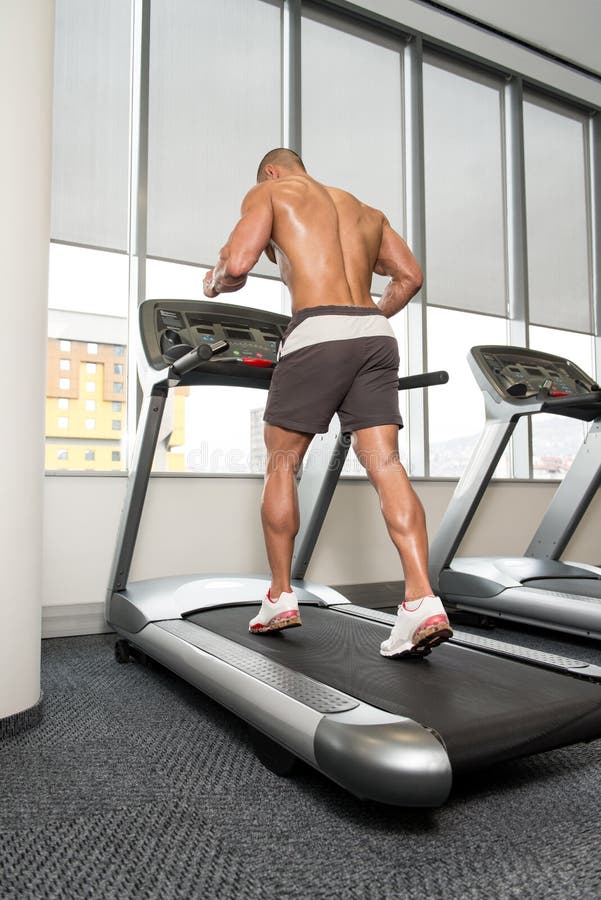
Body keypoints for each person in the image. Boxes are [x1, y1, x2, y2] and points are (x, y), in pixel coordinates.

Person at [203, 148, 452, 658]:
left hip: (316, 331)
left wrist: (213, 281)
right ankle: (421, 599)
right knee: (386, 465)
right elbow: (410, 277)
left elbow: (239, 262)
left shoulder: (270, 191)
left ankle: (278, 596)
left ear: (271, 171)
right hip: (375, 335)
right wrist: (364, 320)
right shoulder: (366, 210)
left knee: (281, 463)